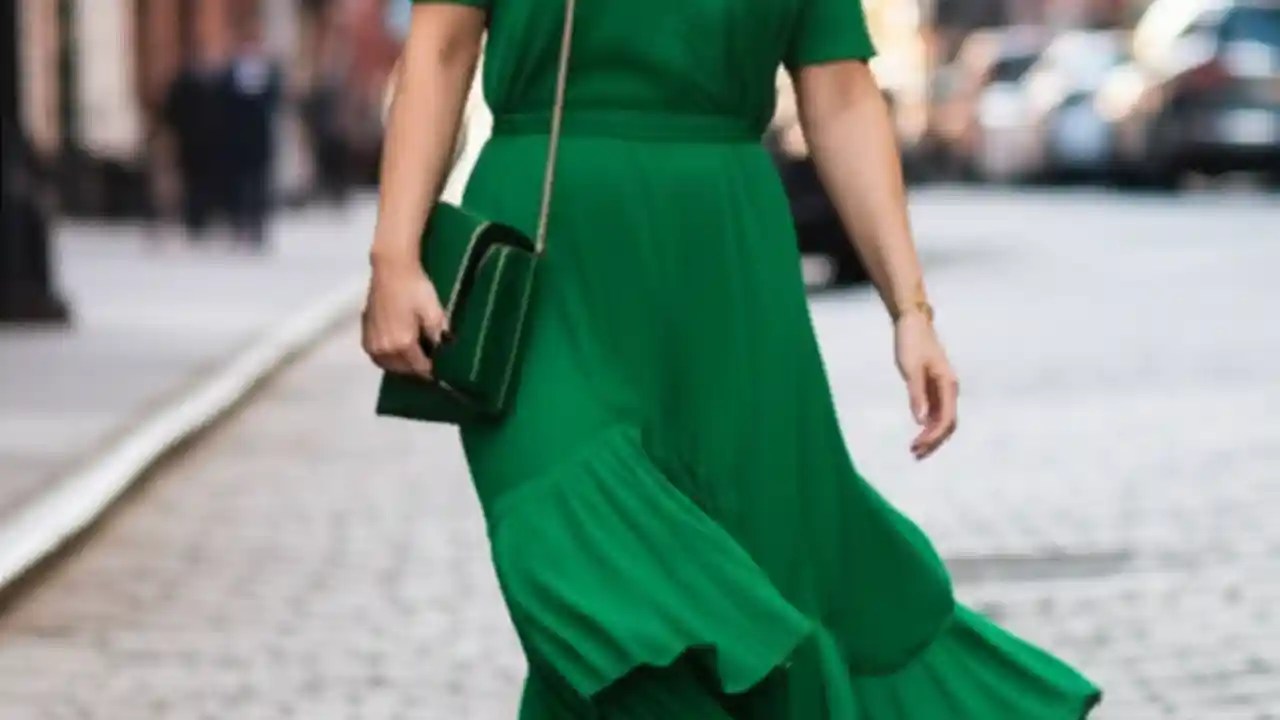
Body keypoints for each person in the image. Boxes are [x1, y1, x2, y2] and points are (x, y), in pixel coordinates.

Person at [363, 2, 1102, 718]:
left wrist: (911, 309)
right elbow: (439, 49)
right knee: (567, 546)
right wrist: (395, 255)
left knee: (761, 557)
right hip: (547, 259)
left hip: (728, 269)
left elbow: (842, 96)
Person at [223, 20, 283, 250]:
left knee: (260, 184)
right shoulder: (231, 72)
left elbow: (275, 103)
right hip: (237, 139)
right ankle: (240, 226)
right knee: (239, 184)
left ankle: (258, 227)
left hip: (261, 138)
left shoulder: (269, 72)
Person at [163, 55, 228, 244]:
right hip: (190, 143)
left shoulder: (215, 85)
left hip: (208, 144)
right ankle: (196, 219)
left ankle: (203, 218)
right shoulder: (183, 84)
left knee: (204, 183)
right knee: (193, 182)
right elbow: (171, 112)